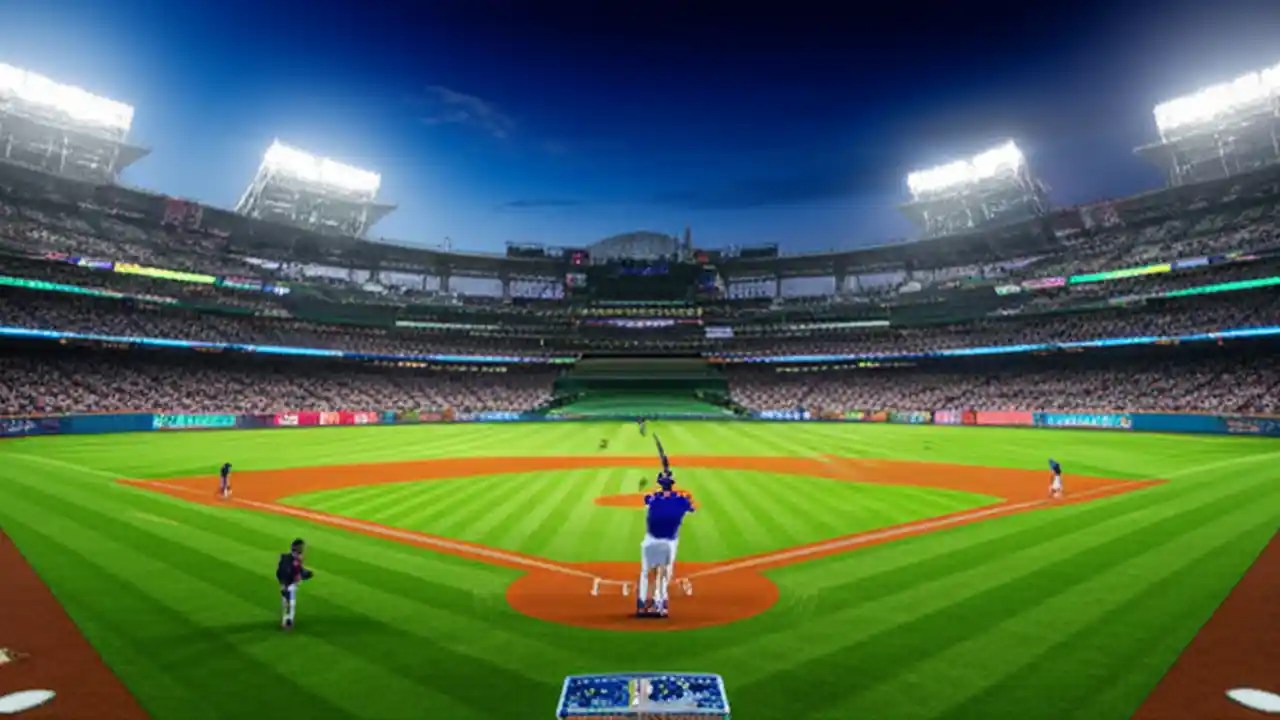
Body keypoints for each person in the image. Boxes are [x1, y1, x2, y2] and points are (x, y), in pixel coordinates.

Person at [637, 471, 695, 618]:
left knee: (646, 573)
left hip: (650, 541)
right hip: (669, 543)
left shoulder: (653, 499)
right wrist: (683, 496)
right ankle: (660, 604)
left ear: (660, 485)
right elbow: (691, 507)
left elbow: (647, 498)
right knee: (664, 574)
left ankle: (642, 603)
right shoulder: (681, 501)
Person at [275, 538, 314, 630]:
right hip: (288, 584)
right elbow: (281, 572)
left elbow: (299, 570)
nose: (302, 549)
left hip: (292, 583)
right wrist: (283, 584)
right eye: (301, 547)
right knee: (289, 602)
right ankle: (287, 621)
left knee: (289, 602)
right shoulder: (287, 559)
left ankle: (288, 621)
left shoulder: (296, 559)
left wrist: (304, 574)